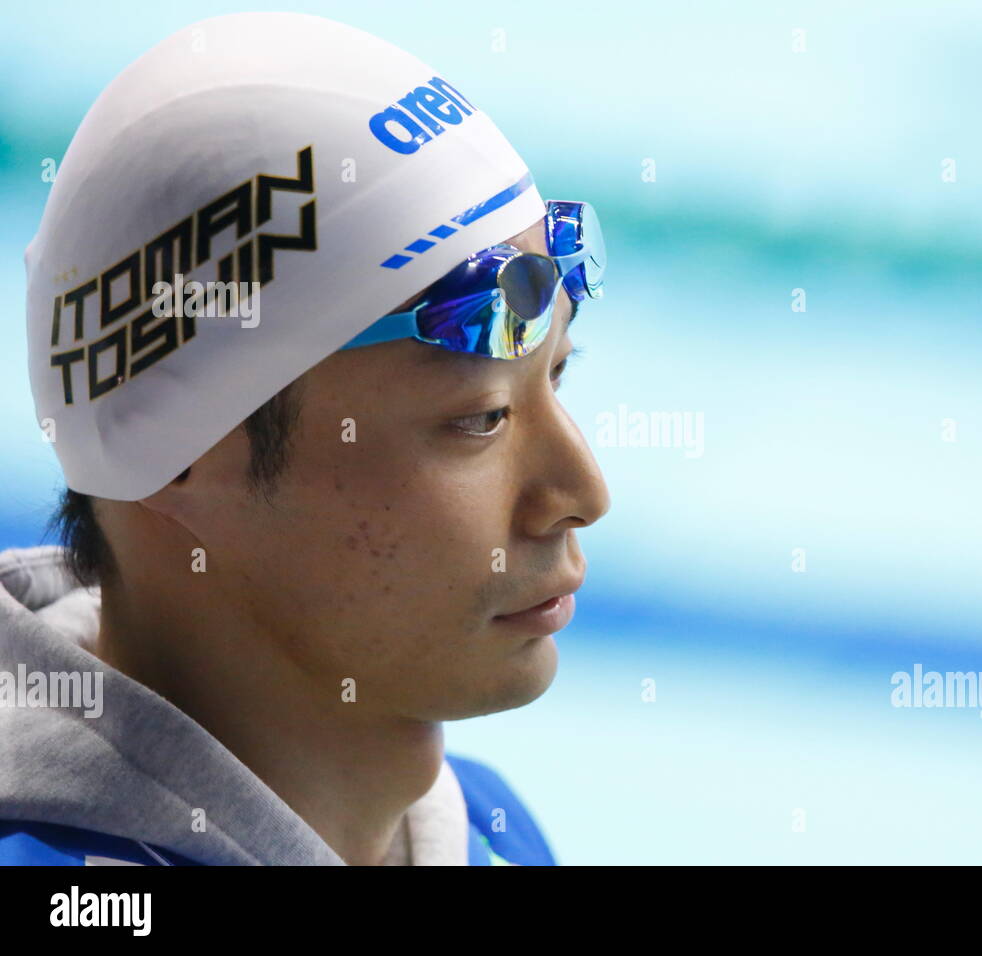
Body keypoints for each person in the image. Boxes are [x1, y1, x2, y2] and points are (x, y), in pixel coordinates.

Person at [0, 11, 610, 866]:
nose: (582, 494)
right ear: (187, 454)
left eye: (556, 378)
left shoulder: (488, 830)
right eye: (479, 418)